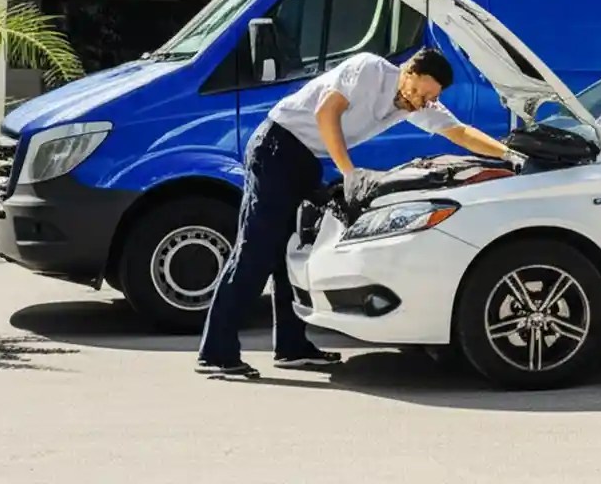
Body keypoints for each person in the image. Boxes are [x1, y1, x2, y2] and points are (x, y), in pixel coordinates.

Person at [196, 47, 520, 378]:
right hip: (276, 147)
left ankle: (291, 347)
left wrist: (509, 154)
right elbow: (327, 113)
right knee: (255, 250)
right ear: (408, 73)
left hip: (306, 159)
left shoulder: (414, 104)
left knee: (291, 251)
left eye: (430, 98)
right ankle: (216, 353)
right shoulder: (370, 70)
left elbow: (460, 132)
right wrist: (349, 173)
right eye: (421, 92)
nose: (422, 102)